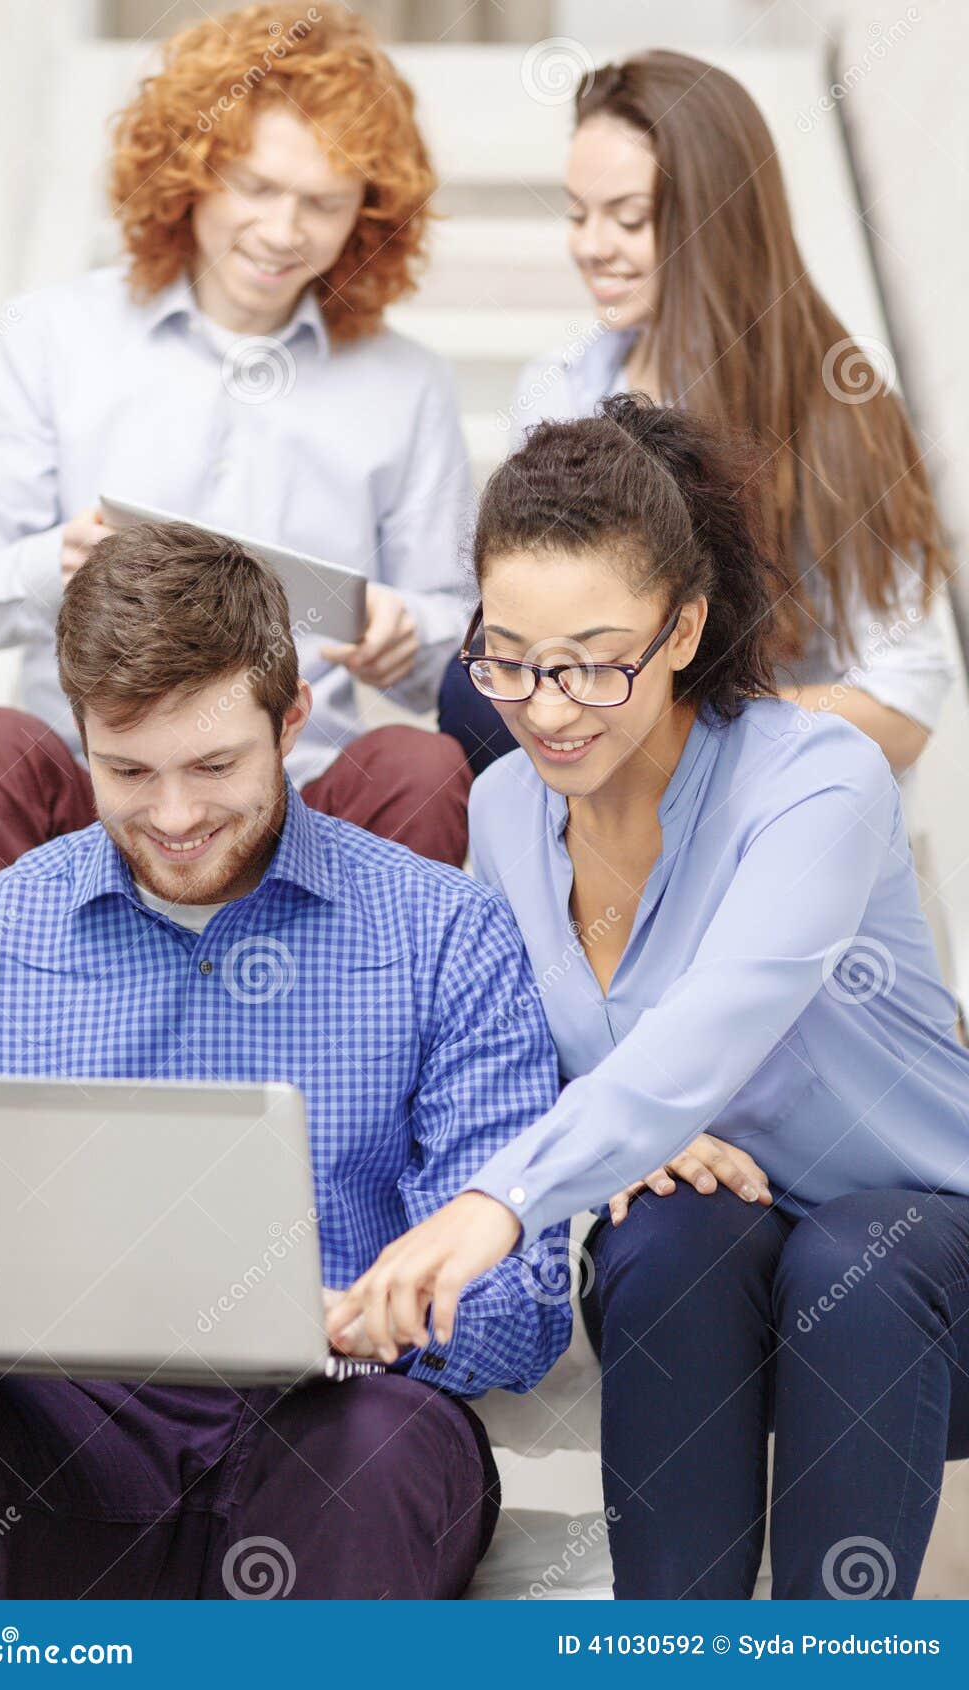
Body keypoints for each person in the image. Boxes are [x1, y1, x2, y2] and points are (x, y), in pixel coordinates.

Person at [0, 522, 571, 1601]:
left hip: (330, 1421)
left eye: (214, 765)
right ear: (81, 735)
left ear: (290, 723)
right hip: (55, 1439)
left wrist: (392, 1308)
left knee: (372, 1454)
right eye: (128, 770)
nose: (175, 816)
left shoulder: (443, 933)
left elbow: (525, 1295)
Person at [330, 398, 969, 1601]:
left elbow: (717, 1018)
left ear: (682, 629)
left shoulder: (815, 779)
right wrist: (631, 1138)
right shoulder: (506, 810)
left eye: (594, 660)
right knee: (665, 1233)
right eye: (508, 658)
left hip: (935, 1257)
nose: (549, 704)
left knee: (857, 1253)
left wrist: (500, 1201)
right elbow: (545, 1053)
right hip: (736, 1255)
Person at [0, 2, 474, 942]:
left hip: (293, 802)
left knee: (418, 764)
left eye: (325, 203)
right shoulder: (53, 337)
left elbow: (462, 647)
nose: (284, 230)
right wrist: (54, 560)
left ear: (365, 214)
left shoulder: (405, 385)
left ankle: (370, 1069)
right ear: (193, 169)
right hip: (98, 781)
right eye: (256, 186)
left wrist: (405, 630)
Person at [440, 49, 953, 777]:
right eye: (579, 213)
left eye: (629, 218)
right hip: (597, 788)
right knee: (465, 695)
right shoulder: (556, 390)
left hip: (755, 782)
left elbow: (901, 706)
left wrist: (691, 717)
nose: (590, 246)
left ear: (718, 220)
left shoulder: (841, 408)